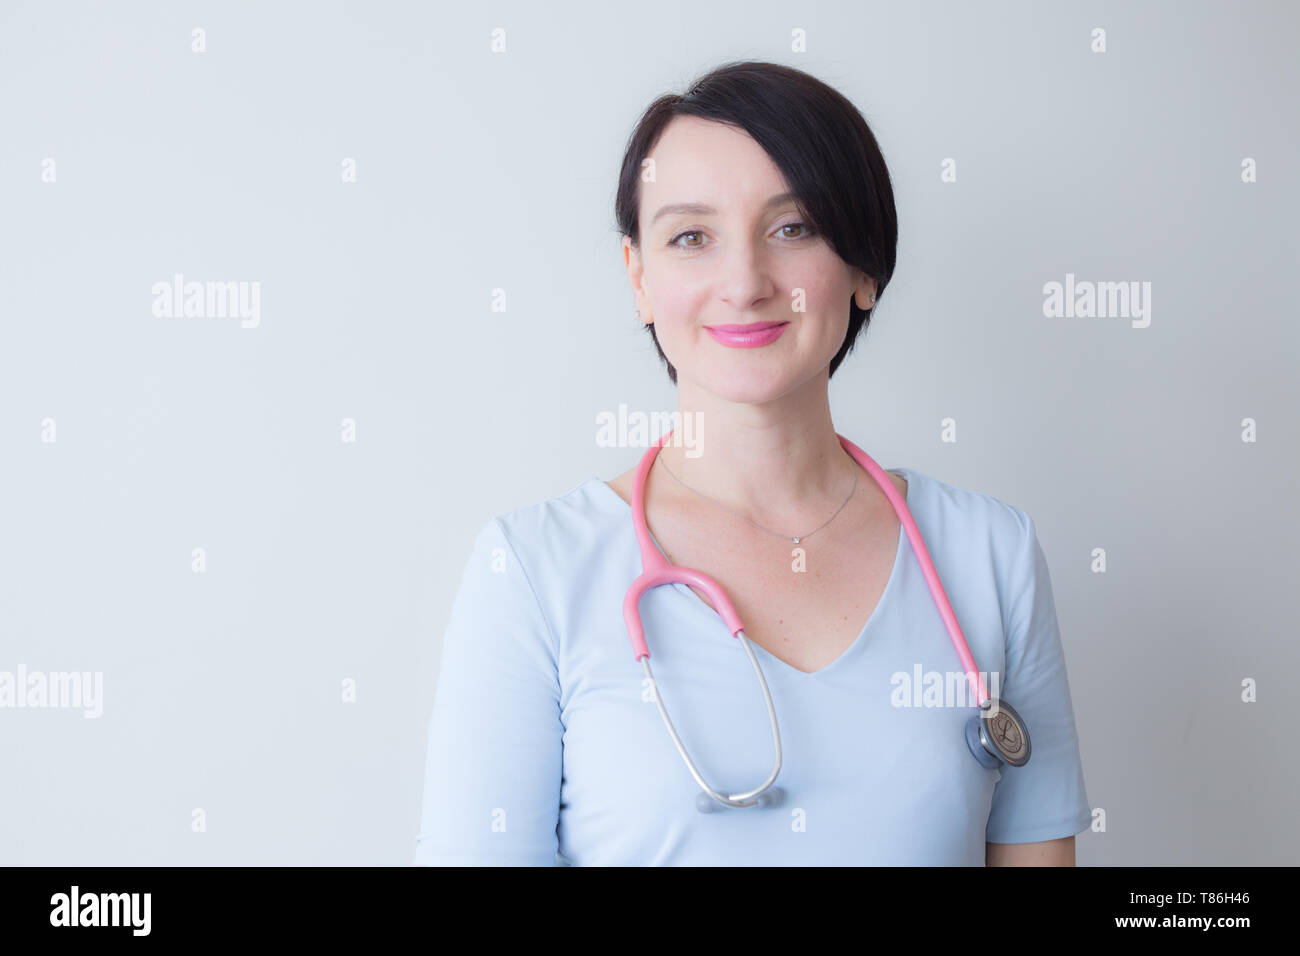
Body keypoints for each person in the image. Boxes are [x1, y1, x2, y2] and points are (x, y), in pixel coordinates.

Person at [414, 61, 1089, 866]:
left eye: (792, 227)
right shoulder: (532, 572)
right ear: (639, 278)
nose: (744, 282)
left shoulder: (991, 555)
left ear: (864, 266)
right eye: (690, 237)